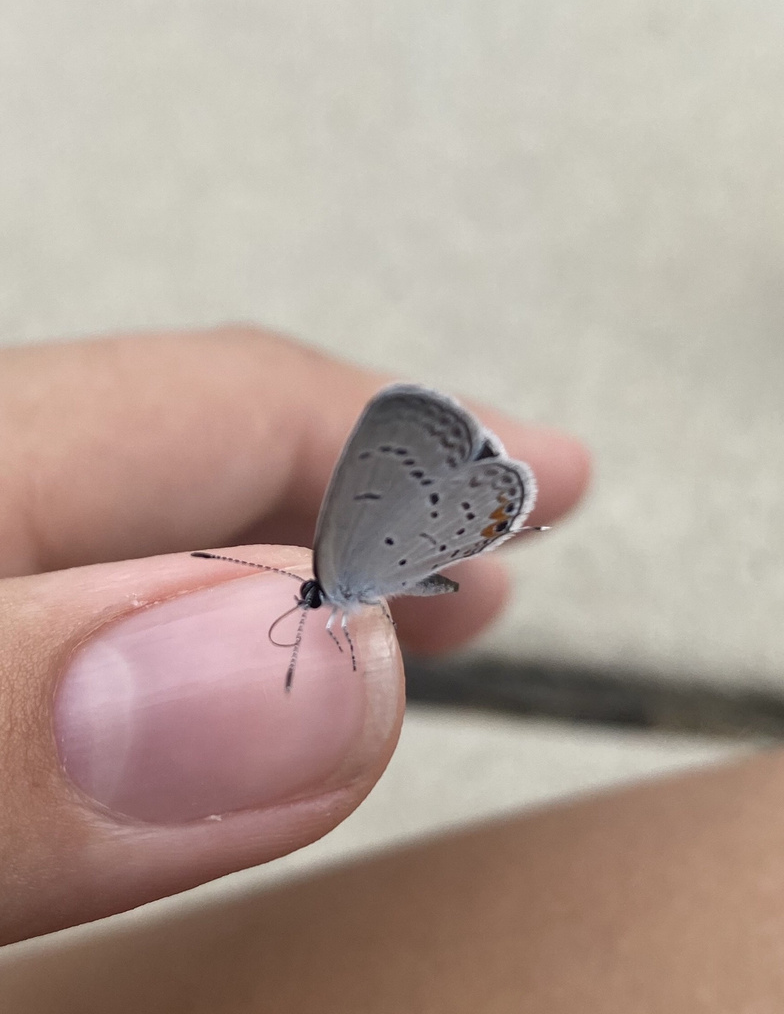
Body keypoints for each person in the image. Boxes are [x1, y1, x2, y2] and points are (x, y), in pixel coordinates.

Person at [1, 327, 780, 1011]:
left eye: (307, 599)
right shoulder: (331, 585)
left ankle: (496, 511)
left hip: (415, 549)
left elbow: (329, 614)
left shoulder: (332, 583)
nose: (302, 601)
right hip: (414, 551)